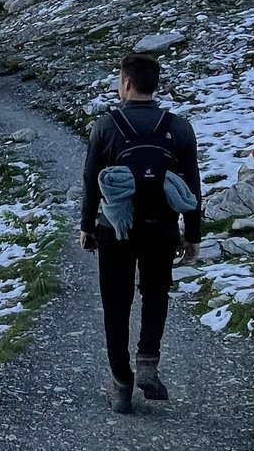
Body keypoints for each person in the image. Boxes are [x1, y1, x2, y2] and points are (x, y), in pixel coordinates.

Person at [79, 53, 203, 413]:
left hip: (114, 228)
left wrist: (87, 226)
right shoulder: (178, 127)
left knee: (116, 304)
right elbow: (192, 184)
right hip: (161, 226)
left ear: (126, 83)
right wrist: (192, 233)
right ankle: (148, 362)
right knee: (155, 293)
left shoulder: (106, 126)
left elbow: (91, 182)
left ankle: (121, 385)